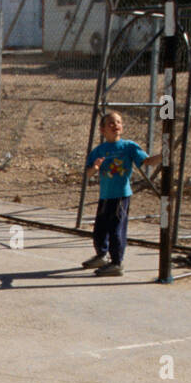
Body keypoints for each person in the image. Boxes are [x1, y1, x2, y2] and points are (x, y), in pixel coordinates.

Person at [81, 110, 162, 277]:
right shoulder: (99, 151)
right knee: (99, 230)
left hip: (120, 196)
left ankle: (117, 263)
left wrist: (163, 156)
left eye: (118, 122)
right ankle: (102, 255)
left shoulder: (128, 147)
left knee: (116, 230)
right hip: (105, 196)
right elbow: (87, 174)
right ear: (102, 130)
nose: (115, 125)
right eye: (111, 123)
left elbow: (147, 161)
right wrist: (94, 168)